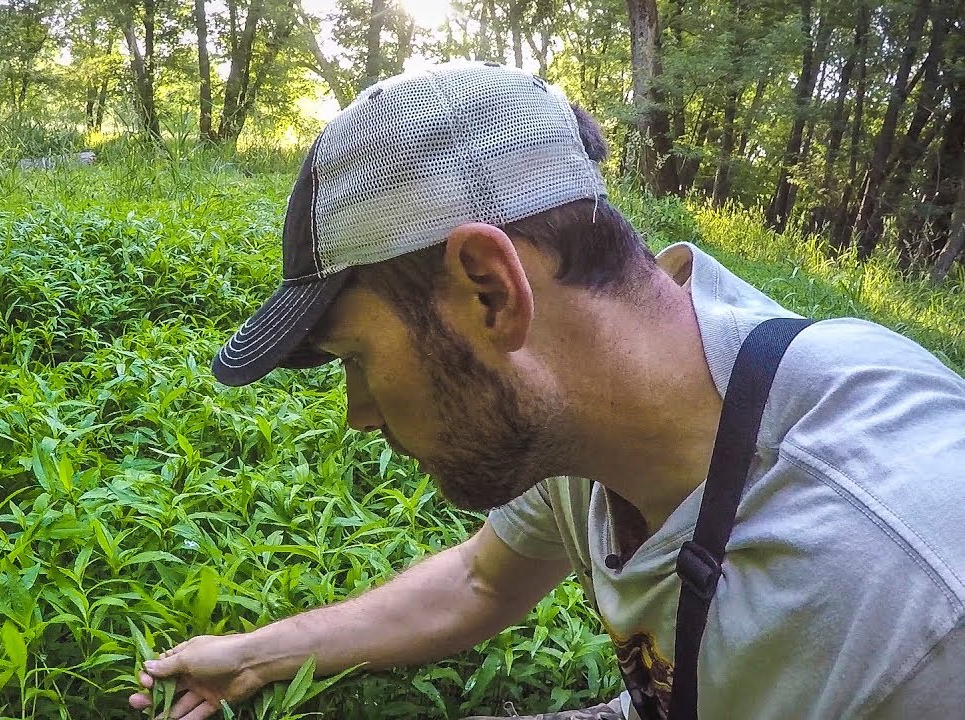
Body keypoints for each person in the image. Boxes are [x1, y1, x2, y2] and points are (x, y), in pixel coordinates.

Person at [128, 62, 965, 720]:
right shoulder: (594, 397)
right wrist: (253, 654)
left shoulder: (909, 600)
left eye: (354, 357)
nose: (361, 415)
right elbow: (481, 583)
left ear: (490, 292)